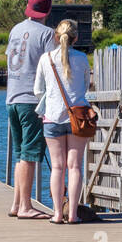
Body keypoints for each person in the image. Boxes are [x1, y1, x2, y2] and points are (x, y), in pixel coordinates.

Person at [34, 18, 91, 224]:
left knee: (57, 167)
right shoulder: (83, 58)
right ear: (76, 38)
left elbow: (38, 90)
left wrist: (51, 101)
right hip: (78, 118)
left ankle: (57, 214)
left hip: (52, 118)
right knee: (75, 167)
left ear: (56, 37)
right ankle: (73, 214)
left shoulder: (45, 58)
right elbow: (85, 87)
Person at [5, 0, 56, 218]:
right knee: (30, 154)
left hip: (11, 98)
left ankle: (17, 204)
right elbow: (52, 68)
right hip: (31, 101)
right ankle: (26, 207)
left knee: (20, 153)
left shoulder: (16, 29)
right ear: (48, 10)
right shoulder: (47, 34)